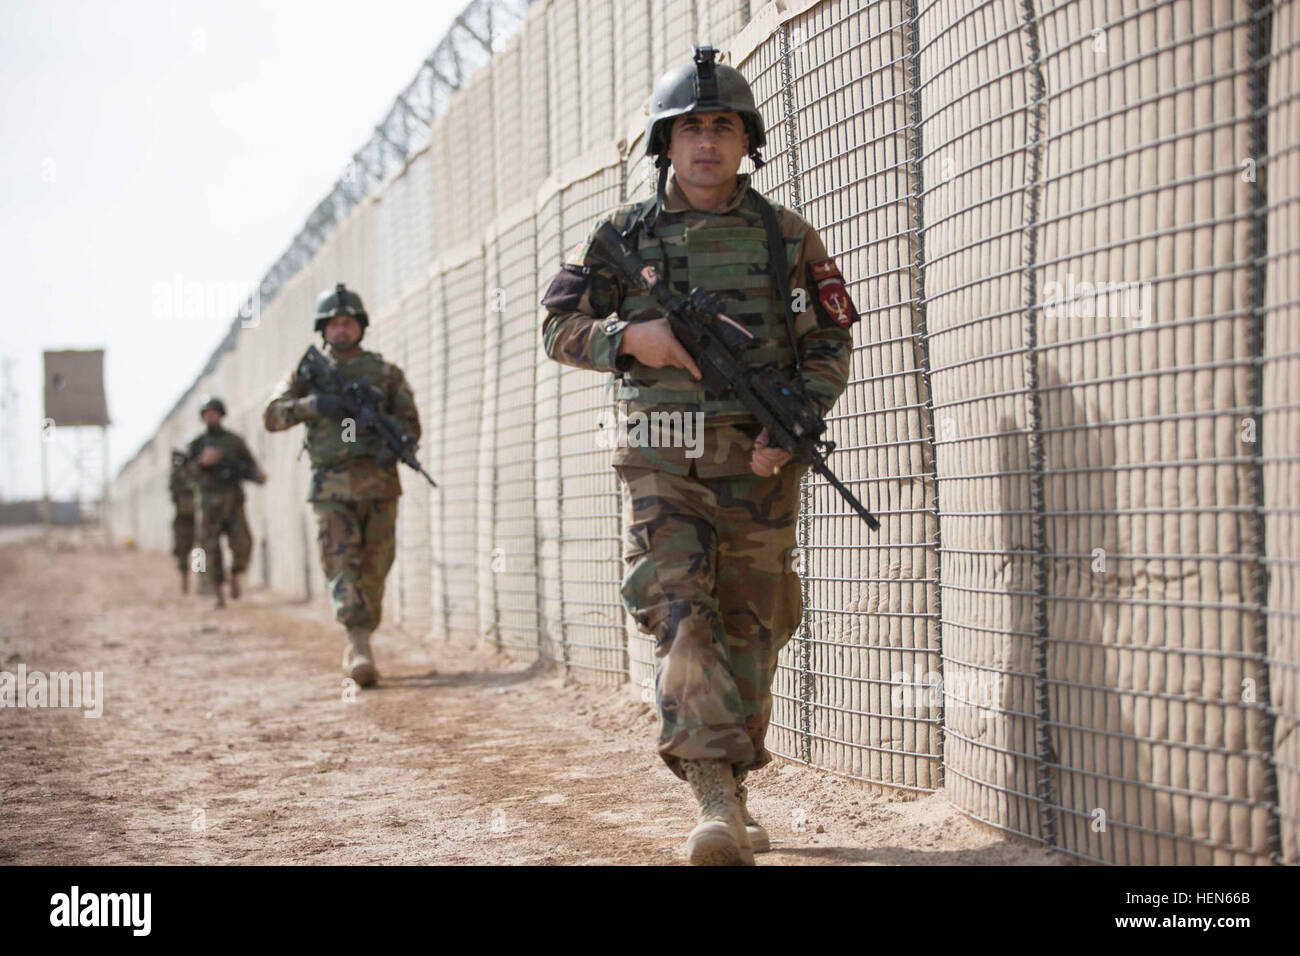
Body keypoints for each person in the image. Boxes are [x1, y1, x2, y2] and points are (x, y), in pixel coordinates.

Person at [540, 47, 859, 865]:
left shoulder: (785, 235)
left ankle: (734, 786)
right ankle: (713, 794)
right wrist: (628, 338)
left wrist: (793, 425)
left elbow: (828, 344)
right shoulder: (621, 239)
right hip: (661, 456)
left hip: (758, 460)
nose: (707, 142)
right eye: (690, 127)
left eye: (722, 126)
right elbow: (557, 329)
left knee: (755, 624)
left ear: (747, 140)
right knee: (682, 611)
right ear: (666, 143)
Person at [263, 283, 421, 688]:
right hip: (331, 487)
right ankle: (359, 645)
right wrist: (311, 405)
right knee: (341, 565)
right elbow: (272, 416)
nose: (341, 329)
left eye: (348, 322)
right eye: (333, 323)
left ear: (360, 326)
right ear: (323, 328)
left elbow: (409, 423)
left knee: (375, 567)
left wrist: (396, 448)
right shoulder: (306, 373)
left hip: (380, 485)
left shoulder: (385, 373)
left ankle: (361, 638)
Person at [187, 397, 267, 609]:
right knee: (209, 550)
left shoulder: (234, 441)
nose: (210, 416)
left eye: (214, 412)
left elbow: (251, 466)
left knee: (243, 543)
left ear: (221, 414)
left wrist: (257, 475)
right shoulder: (196, 445)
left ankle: (237, 574)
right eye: (206, 413)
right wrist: (202, 463)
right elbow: (185, 476)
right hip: (208, 506)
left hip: (233, 502)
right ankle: (217, 592)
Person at [169, 449, 196, 593]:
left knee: (199, 550)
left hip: (197, 517)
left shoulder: (196, 474)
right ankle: (184, 578)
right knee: (182, 550)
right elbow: (173, 492)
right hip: (182, 518)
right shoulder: (176, 476)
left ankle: (201, 578)